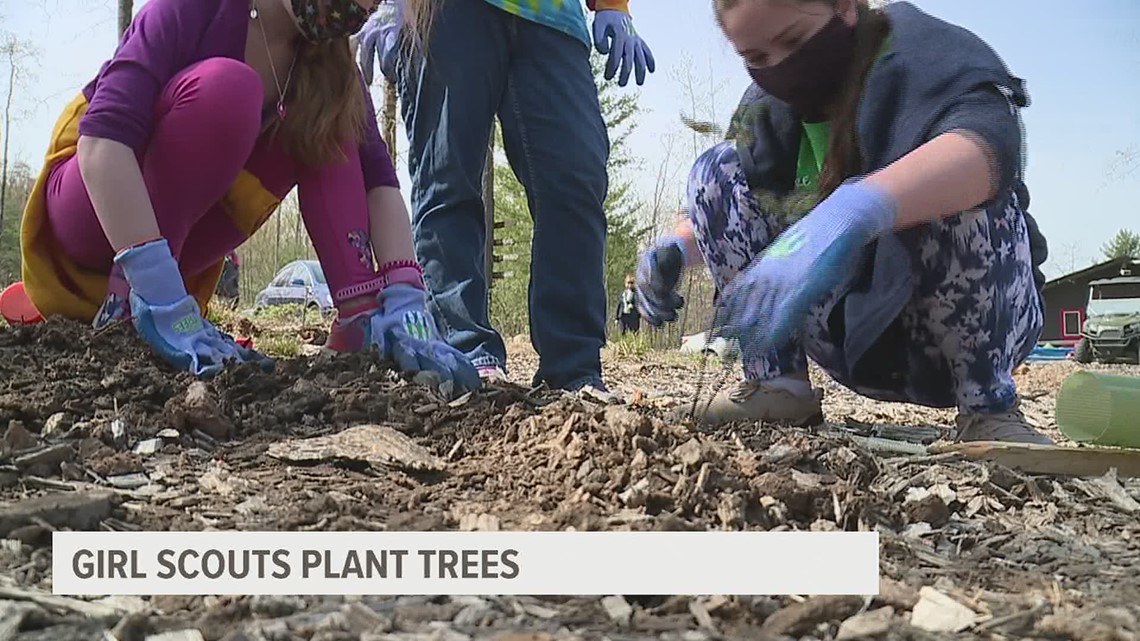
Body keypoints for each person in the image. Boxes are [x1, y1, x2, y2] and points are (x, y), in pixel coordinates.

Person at [9, 0, 478, 397]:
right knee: (230, 90)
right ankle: (137, 300)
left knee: (331, 112)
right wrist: (158, 289)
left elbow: (379, 183)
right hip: (92, 212)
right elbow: (102, 144)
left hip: (183, 246)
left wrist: (406, 294)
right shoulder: (194, 9)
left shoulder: (329, 64)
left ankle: (362, 321)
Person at [636, 0, 1053, 443]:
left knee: (962, 187)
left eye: (793, 40)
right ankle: (778, 386)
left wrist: (858, 208)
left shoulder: (921, 52)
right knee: (715, 168)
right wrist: (679, 248)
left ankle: (989, 406)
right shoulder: (766, 111)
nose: (779, 67)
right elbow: (740, 203)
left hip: (967, 324)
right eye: (755, 57)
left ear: (845, 8)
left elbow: (989, 148)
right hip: (856, 340)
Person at [356, 0, 655, 392]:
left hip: (553, 14)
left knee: (576, 179)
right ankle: (465, 352)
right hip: (442, 11)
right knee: (446, 178)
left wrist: (613, 5)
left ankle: (573, 367)